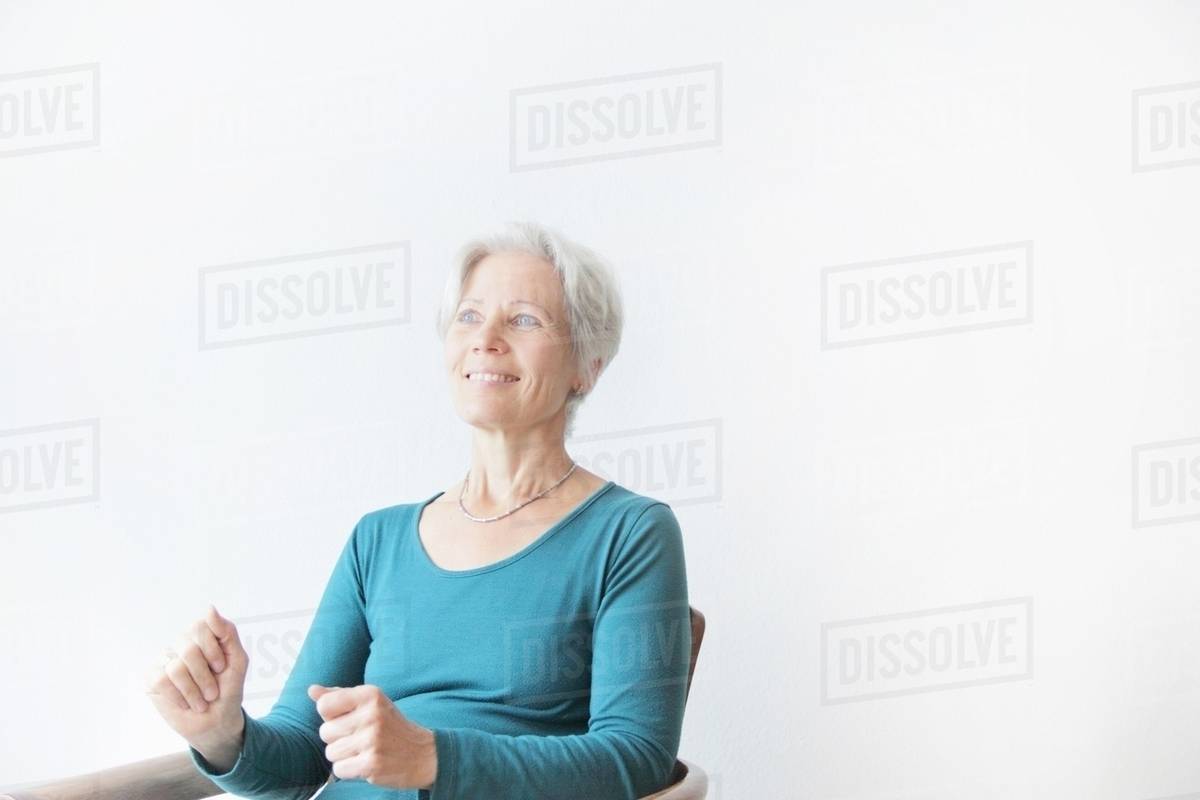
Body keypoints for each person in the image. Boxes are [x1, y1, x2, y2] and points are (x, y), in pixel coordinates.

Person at [145, 221, 692, 799]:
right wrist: (222, 733)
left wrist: (434, 757)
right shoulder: (376, 542)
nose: (486, 338)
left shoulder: (630, 534)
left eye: (525, 319)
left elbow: (636, 758)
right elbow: (299, 762)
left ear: (588, 366)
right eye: (469, 316)